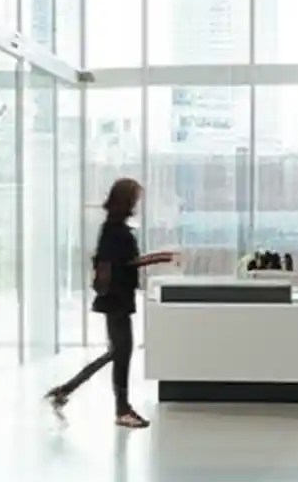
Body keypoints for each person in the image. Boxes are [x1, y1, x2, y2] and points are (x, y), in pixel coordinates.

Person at [45, 178, 175, 429]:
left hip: (117, 298)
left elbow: (115, 261)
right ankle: (117, 408)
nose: (137, 203)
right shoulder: (115, 230)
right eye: (135, 198)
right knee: (120, 351)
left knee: (119, 351)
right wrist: (159, 257)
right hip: (115, 299)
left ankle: (67, 392)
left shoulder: (114, 228)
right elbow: (124, 262)